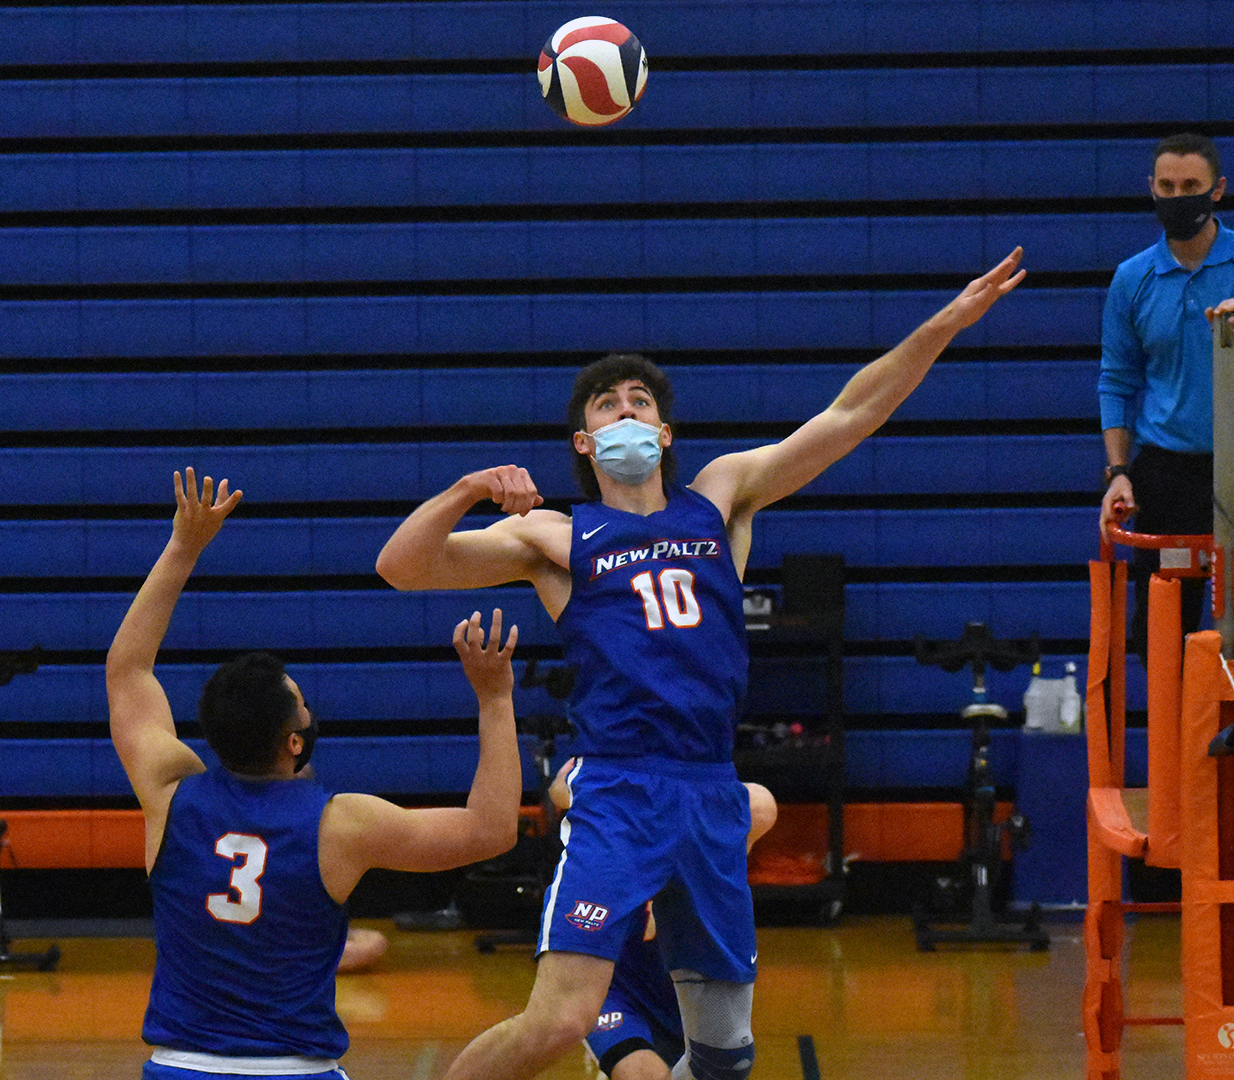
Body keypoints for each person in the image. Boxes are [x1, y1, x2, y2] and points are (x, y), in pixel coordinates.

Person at [375, 249, 1026, 1080]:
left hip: (711, 788)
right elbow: (401, 565)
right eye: (608, 405)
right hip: (619, 788)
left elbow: (850, 414)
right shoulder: (555, 536)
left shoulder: (721, 496)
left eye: (640, 401)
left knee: (723, 1061)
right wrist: (467, 487)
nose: (627, 411)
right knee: (559, 1016)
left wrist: (946, 323)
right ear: (585, 440)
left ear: (664, 432)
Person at [107, 467, 524, 1080]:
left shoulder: (169, 793)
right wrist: (494, 699)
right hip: (296, 1069)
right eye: (301, 701)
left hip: (178, 1067)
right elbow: (491, 831)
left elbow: (128, 672)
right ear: (294, 742)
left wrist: (183, 546)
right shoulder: (341, 823)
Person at [1097, 131, 1234, 652]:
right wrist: (1119, 473)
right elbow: (1117, 380)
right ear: (1151, 189)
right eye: (1167, 185)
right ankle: (1181, 733)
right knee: (1164, 638)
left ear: (1218, 190)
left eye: (1191, 184)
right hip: (1167, 474)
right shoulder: (1131, 278)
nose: (1177, 195)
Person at [546, 762, 778, 1080]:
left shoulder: (709, 795)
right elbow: (560, 787)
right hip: (616, 985)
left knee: (723, 1065)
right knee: (643, 1073)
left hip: (691, 985)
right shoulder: (610, 766)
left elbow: (762, 804)